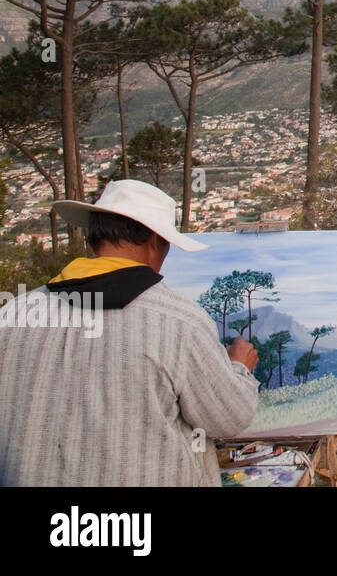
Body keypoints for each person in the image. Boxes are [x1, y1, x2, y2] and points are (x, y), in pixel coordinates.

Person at [0, 179, 260, 486]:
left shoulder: (14, 314)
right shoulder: (179, 322)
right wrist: (239, 369)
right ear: (157, 242)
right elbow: (226, 418)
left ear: (95, 238)